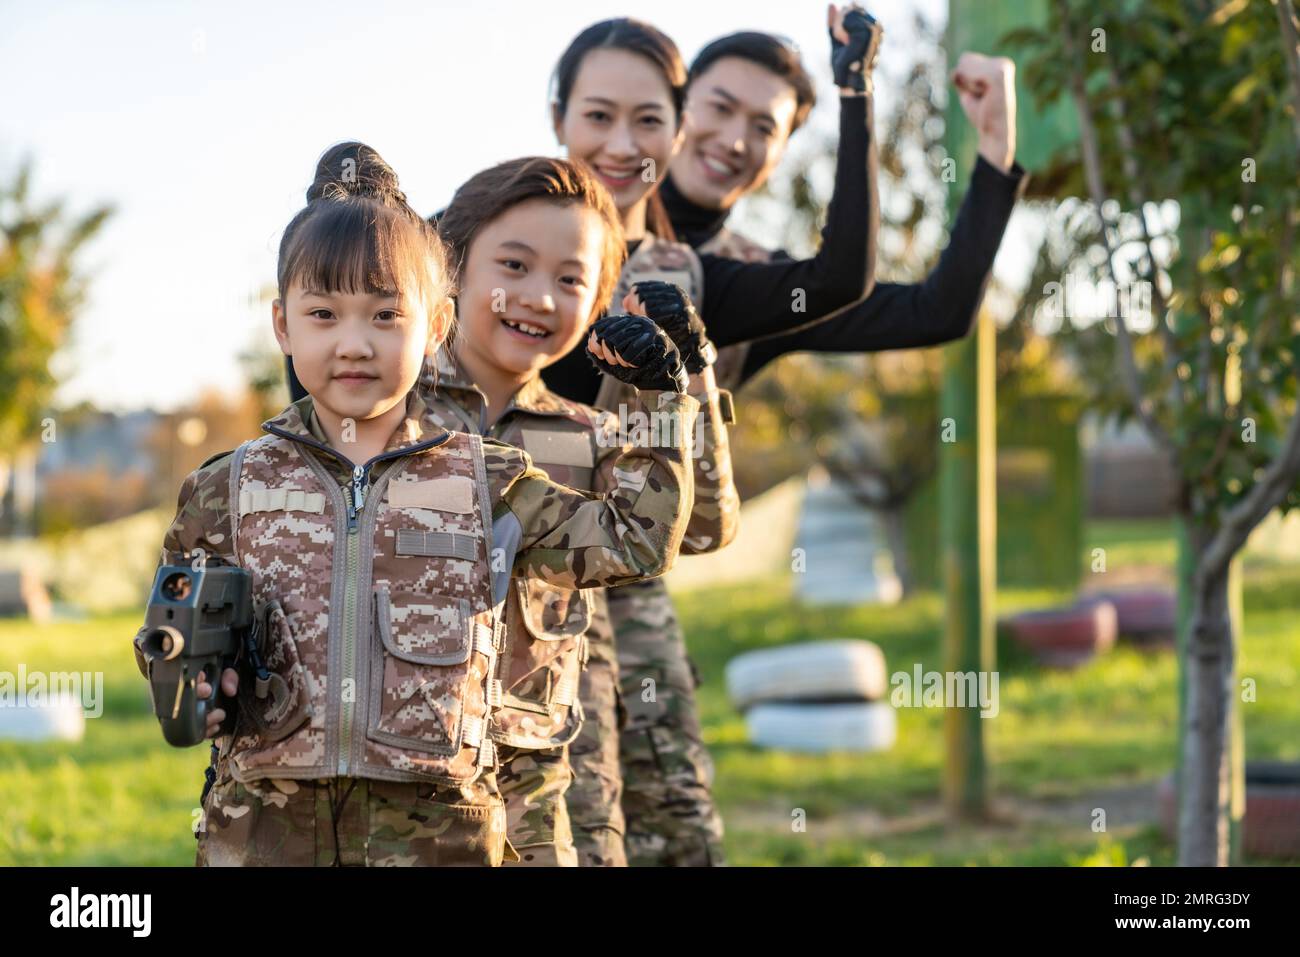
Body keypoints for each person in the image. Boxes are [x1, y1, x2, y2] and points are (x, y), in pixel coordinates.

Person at [134, 141, 703, 867]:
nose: (353, 343)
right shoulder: (228, 487)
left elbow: (635, 542)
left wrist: (660, 399)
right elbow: (167, 632)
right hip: (263, 836)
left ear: (435, 326)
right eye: (323, 313)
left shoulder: (485, 482)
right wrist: (187, 683)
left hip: (440, 840)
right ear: (283, 326)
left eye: (384, 316)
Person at [535, 8, 882, 867]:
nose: (622, 143)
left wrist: (855, 90)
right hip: (496, 592)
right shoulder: (474, 240)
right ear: (559, 117)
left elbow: (843, 279)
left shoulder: (687, 279)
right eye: (599, 116)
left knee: (673, 832)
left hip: (629, 588)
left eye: (649, 119)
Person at [427, 153, 739, 865]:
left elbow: (703, 525)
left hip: (557, 787)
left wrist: (688, 370)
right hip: (405, 787)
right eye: (512, 265)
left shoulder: (593, 436)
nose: (539, 296)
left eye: (570, 280)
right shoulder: (386, 418)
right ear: (452, 266)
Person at [659, 37, 1029, 390]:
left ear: (780, 153)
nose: (734, 141)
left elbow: (936, 313)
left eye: (764, 128)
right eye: (720, 108)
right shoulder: (602, 222)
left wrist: (996, 144)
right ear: (677, 104)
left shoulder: (768, 286)